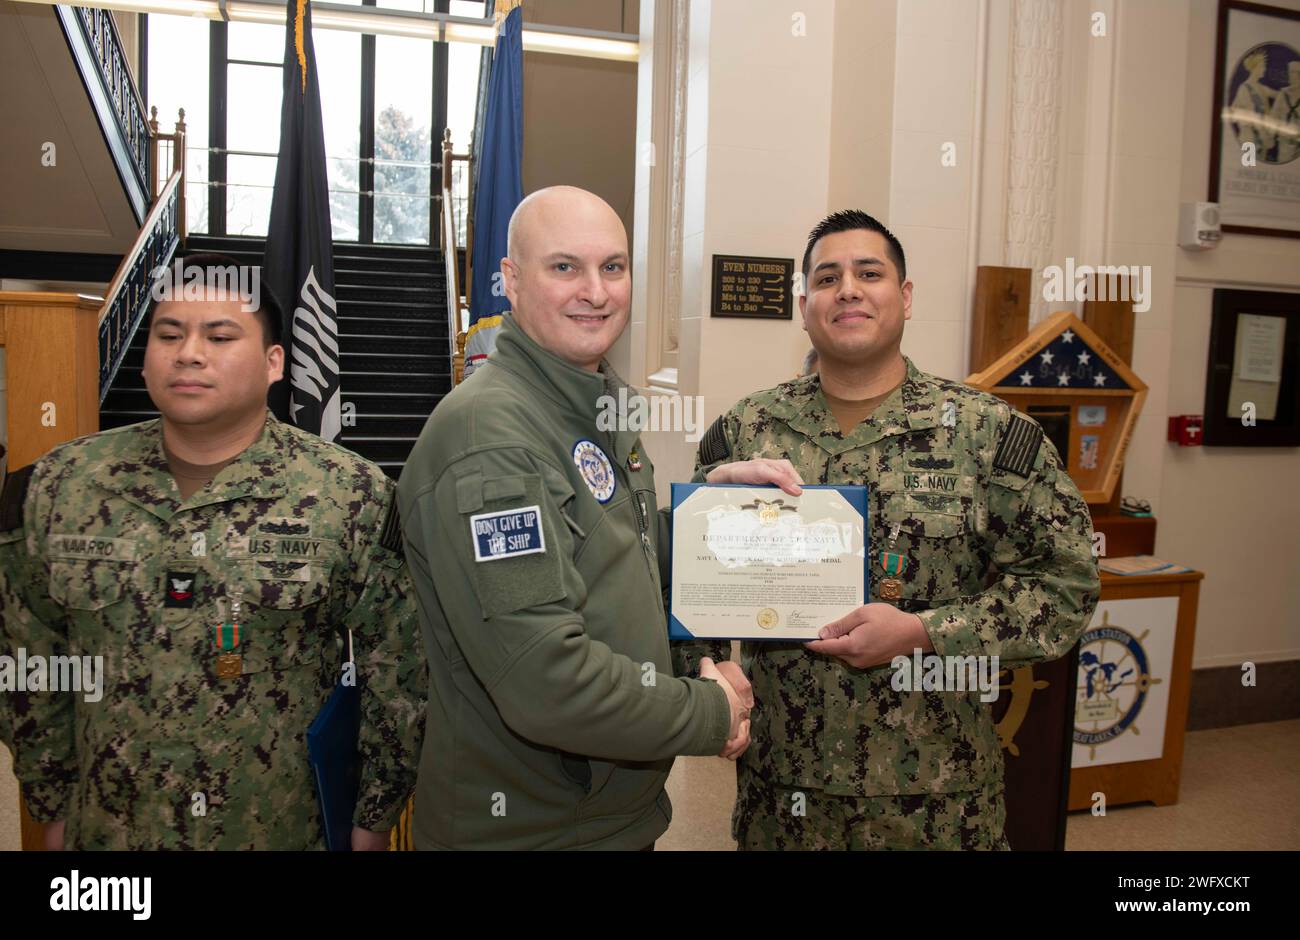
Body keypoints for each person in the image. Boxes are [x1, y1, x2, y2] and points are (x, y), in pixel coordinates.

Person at [688, 210, 1100, 850]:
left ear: (905, 298)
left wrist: (923, 633)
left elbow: (1067, 586)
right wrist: (708, 676)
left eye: (869, 273)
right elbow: (691, 582)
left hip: (936, 804)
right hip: (783, 800)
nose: (847, 288)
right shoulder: (745, 432)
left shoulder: (986, 434)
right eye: (827, 277)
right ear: (805, 306)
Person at [0, 253, 425, 850]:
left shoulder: (348, 494)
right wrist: (50, 805)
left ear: (275, 361)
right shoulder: (59, 487)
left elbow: (398, 670)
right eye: (168, 333)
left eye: (219, 336)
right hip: (110, 835)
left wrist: (373, 818)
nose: (189, 352)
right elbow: (28, 664)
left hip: (276, 827)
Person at [397, 186, 752, 850]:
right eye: (564, 267)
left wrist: (720, 514)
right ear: (509, 280)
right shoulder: (494, 441)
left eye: (613, 267)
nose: (595, 290)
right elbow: (545, 681)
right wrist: (708, 711)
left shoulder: (583, 402)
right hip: (531, 830)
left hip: (600, 818)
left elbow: (619, 552)